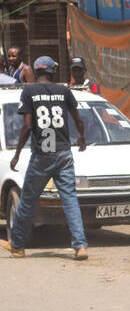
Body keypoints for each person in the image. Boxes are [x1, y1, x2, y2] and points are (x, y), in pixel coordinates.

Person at [0, 56, 89, 260]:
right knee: (70, 199)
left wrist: (16, 155)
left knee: (28, 201)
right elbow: (77, 119)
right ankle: (80, 246)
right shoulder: (64, 91)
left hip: (42, 155)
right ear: (52, 71)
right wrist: (82, 137)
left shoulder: (29, 92)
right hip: (63, 153)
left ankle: (18, 245)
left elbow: (27, 127)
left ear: (37, 71)